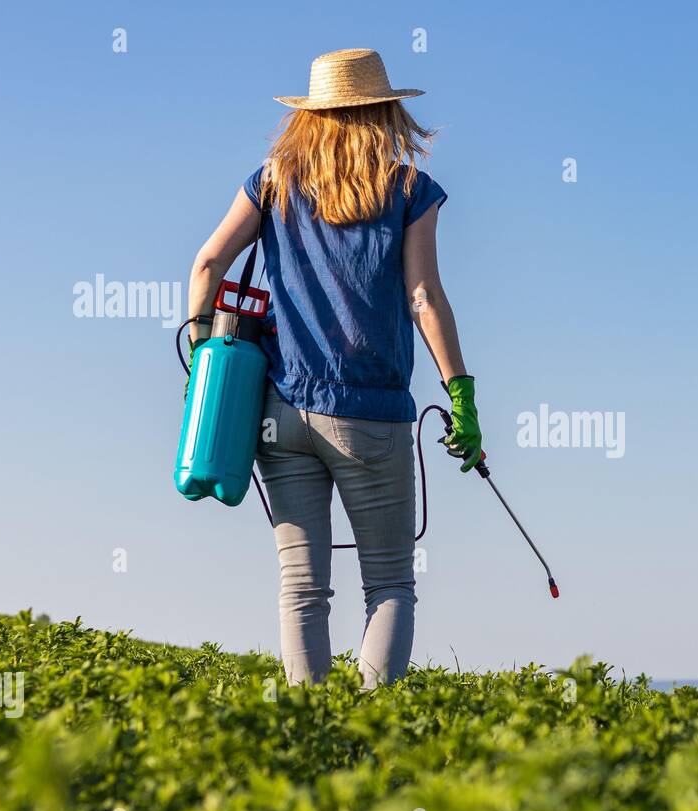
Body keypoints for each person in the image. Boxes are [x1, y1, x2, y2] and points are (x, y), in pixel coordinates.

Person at [184, 48, 481, 687]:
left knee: (302, 586)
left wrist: (203, 364)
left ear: (309, 115)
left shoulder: (271, 181)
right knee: (391, 580)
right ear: (386, 111)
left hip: (278, 413)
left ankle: (307, 735)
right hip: (370, 414)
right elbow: (423, 295)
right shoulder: (409, 190)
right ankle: (371, 739)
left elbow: (207, 264)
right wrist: (461, 394)